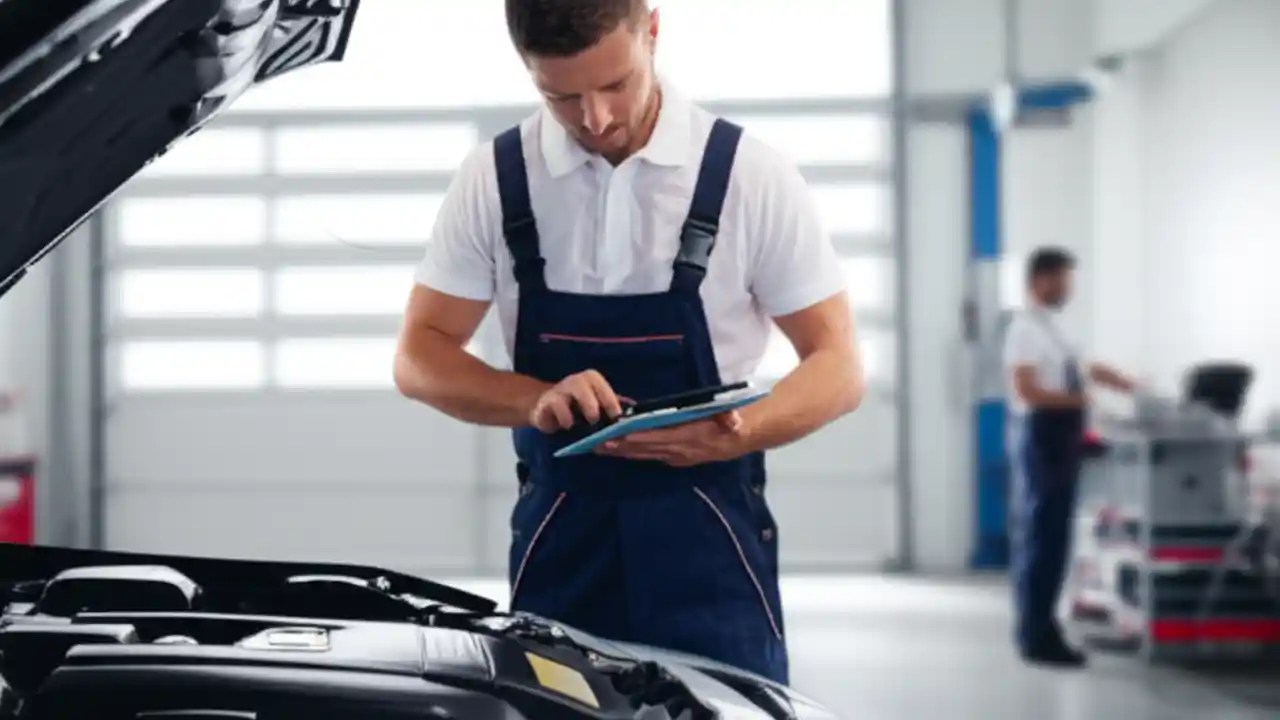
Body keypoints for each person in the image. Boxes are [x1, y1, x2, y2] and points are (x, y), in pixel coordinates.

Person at [393, 0, 863, 684]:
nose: (595, 120)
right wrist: (535, 399)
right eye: (561, 97)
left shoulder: (748, 175)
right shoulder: (496, 179)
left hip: (711, 532)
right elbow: (419, 355)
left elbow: (840, 365)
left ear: (652, 30)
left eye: (615, 85)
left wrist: (740, 431)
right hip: (563, 534)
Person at [1003, 247, 1136, 668]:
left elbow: (1083, 365)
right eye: (1063, 279)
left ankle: (1045, 627)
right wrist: (1082, 398)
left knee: (1056, 540)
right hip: (1042, 437)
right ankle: (1036, 635)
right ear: (1041, 279)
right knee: (1042, 540)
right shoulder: (1024, 329)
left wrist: (1126, 383)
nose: (1068, 288)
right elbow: (1027, 390)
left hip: (1061, 438)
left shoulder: (1053, 328)